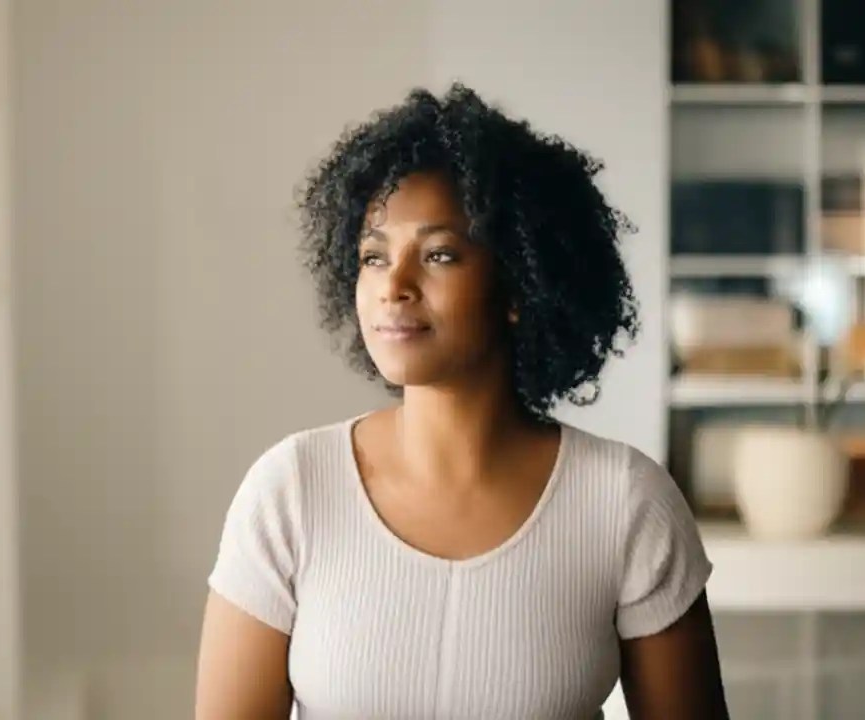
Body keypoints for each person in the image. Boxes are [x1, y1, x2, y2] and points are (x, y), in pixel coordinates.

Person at [194, 84, 729, 720]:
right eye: (373, 256)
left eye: (439, 254)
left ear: (519, 284)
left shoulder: (627, 503)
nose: (394, 287)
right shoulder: (290, 492)